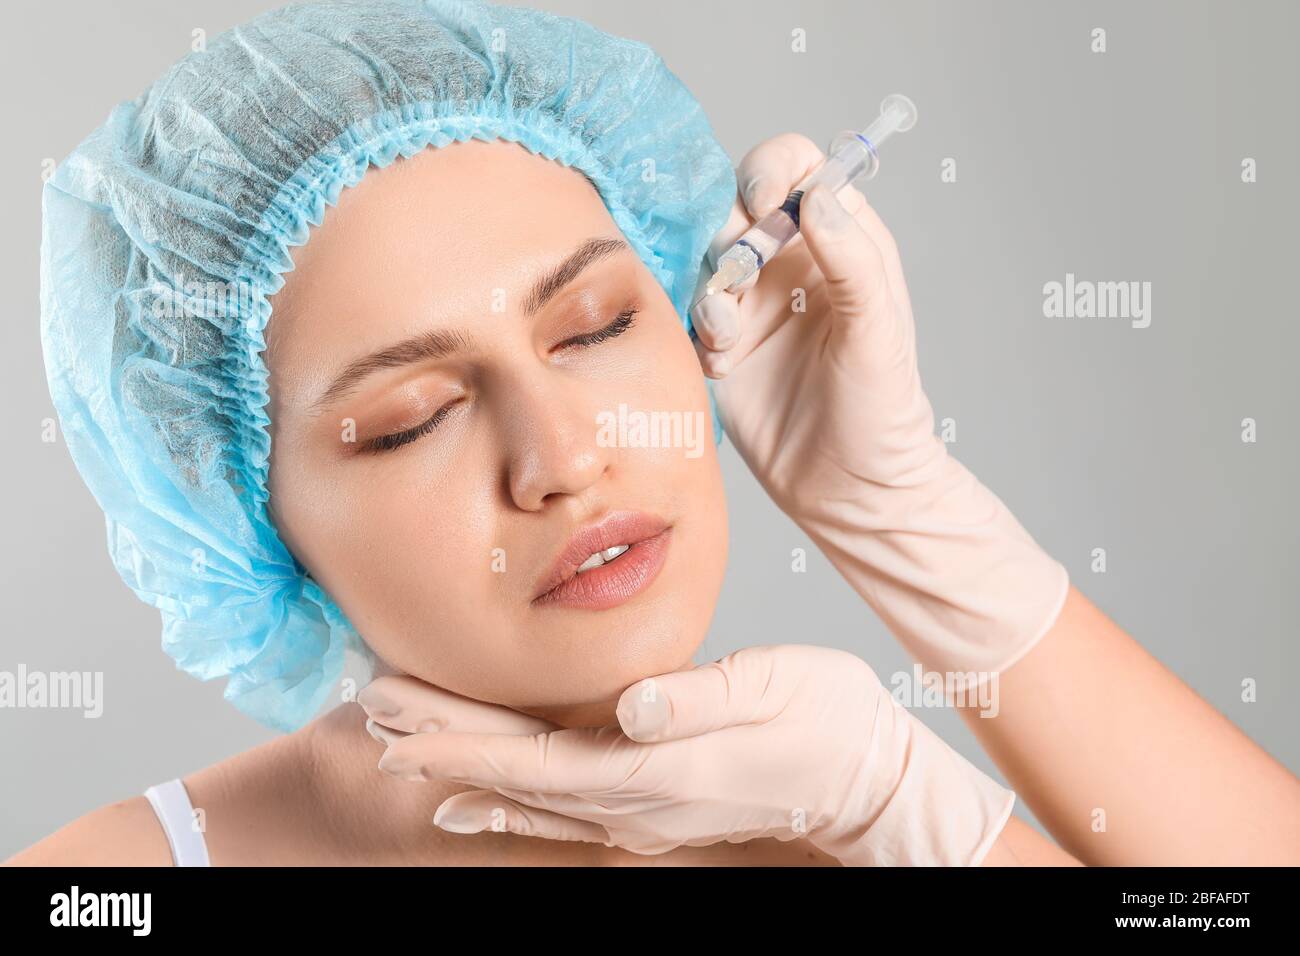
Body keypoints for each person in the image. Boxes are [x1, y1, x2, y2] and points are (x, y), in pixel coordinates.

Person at [9, 0, 1297, 866]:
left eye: (596, 327)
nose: (567, 456)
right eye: (413, 422)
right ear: (241, 517)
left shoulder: (856, 817)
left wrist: (911, 525)